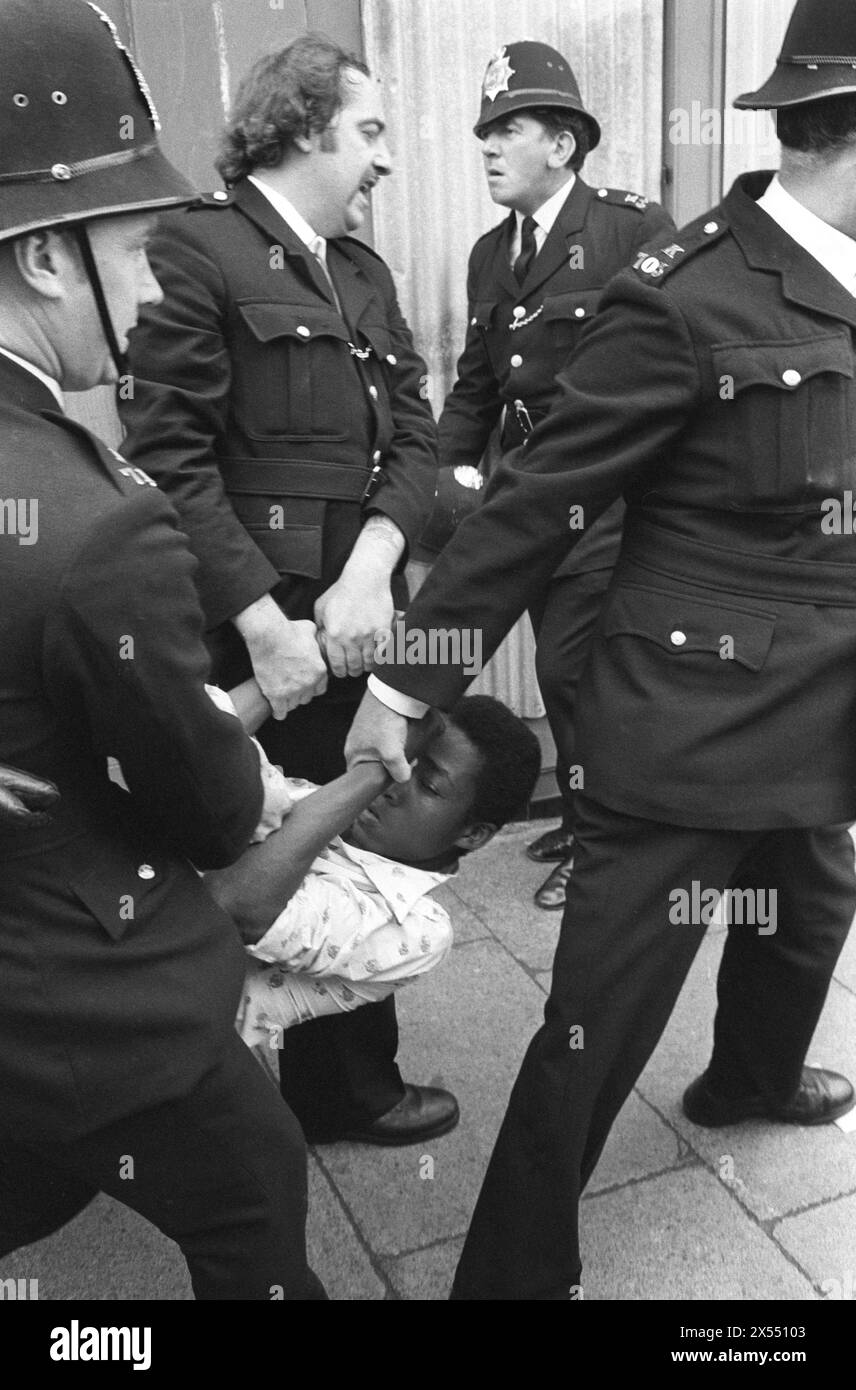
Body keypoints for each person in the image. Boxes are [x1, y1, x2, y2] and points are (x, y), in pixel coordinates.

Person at [346, 0, 856, 1299]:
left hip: (820, 707)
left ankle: (748, 1076)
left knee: (806, 915)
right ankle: (512, 1274)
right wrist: (406, 679)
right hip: (685, 724)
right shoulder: (689, 291)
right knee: (596, 1023)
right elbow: (539, 499)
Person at [0, 0, 324, 1301]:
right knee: (255, 1193)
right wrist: (247, 763)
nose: (147, 292)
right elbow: (206, 806)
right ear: (43, 256)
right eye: (135, 251)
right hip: (85, 990)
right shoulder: (97, 521)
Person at [119, 33, 453, 1148]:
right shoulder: (196, 248)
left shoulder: (362, 272)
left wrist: (370, 570)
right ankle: (219, 1087)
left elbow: (416, 431)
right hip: (257, 638)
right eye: (369, 132)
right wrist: (265, 627)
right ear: (305, 127)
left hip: (356, 620)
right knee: (253, 852)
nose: (385, 160)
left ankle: (340, 1084)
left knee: (361, 832)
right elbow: (167, 457)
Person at [428, 40, 673, 910]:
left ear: (562, 145)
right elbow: (476, 385)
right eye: (485, 132)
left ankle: (608, 846)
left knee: (578, 676)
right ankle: (582, 815)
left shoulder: (630, 231)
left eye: (509, 129)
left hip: (607, 504)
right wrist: (444, 478)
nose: (488, 147)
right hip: (528, 500)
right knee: (558, 673)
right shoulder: (490, 255)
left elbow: (671, 367)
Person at [204, 694, 540, 1058]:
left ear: (474, 834)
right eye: (403, 757)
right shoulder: (324, 804)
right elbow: (188, 745)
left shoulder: (417, 929)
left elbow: (233, 903)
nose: (395, 782)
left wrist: (374, 772)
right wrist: (271, 687)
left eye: (428, 785)